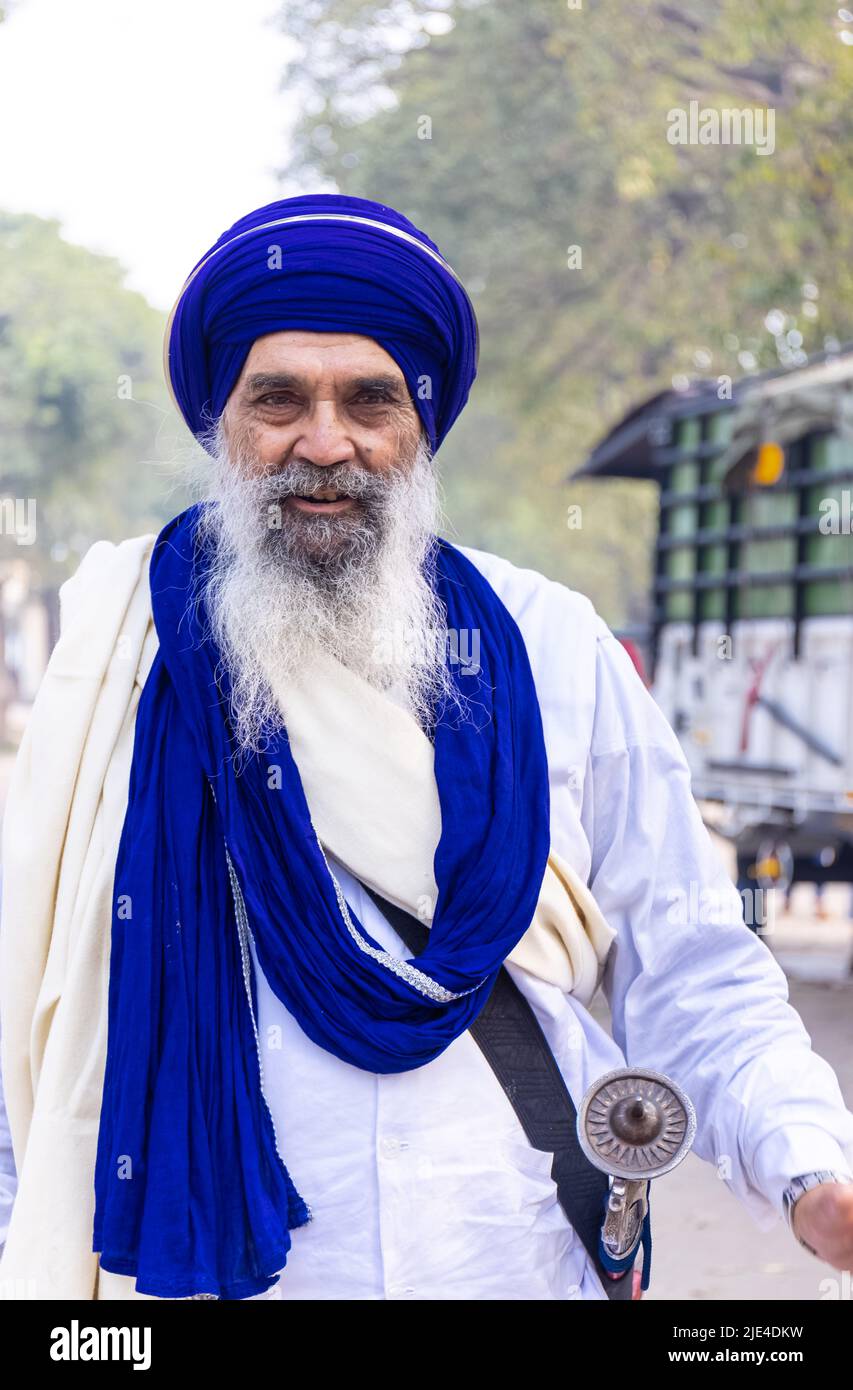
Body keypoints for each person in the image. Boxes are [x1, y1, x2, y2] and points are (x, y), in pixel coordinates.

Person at [1, 193, 852, 1302]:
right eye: (278, 399)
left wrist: (811, 1170)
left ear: (419, 423)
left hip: (511, 1267)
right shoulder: (118, 657)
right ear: (224, 423)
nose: (325, 442)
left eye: (369, 398)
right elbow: (27, 1007)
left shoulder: (550, 644)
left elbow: (692, 968)